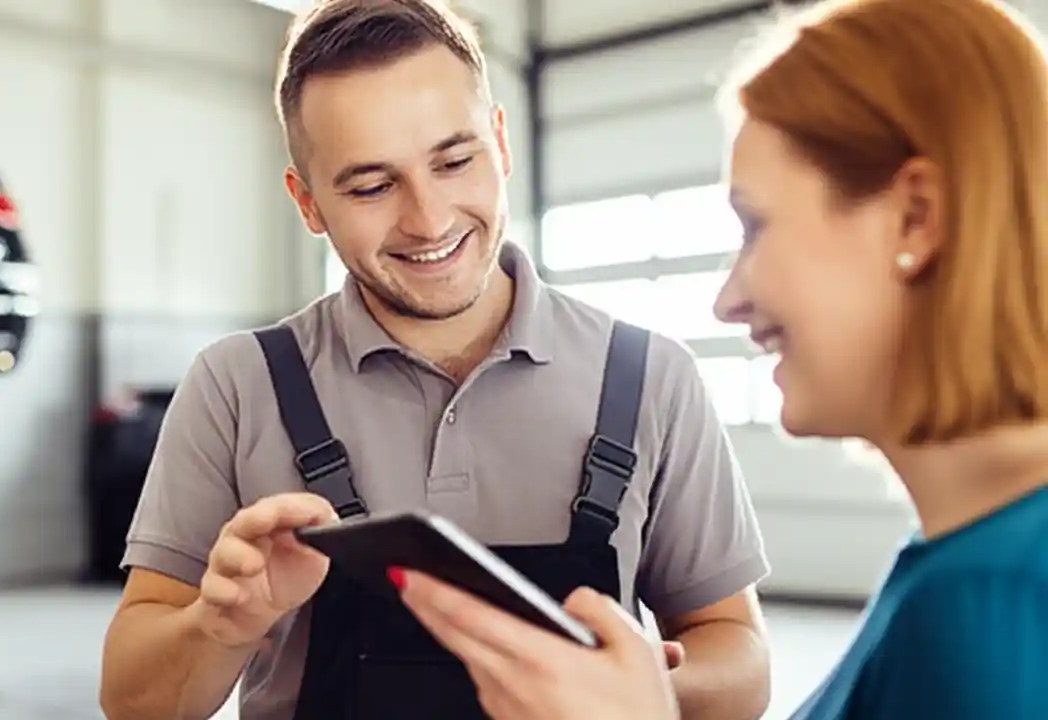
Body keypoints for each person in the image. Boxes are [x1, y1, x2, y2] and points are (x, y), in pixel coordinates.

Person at [98, 1, 774, 719]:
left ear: (500, 143)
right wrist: (220, 626)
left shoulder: (649, 379)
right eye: (371, 186)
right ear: (308, 203)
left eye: (454, 161)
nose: (430, 220)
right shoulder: (236, 386)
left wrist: (637, 695)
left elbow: (739, 656)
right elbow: (132, 701)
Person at [395, 0, 1048, 717]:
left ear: (914, 219)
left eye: (755, 225)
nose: (728, 301)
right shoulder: (953, 564)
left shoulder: (989, 608)